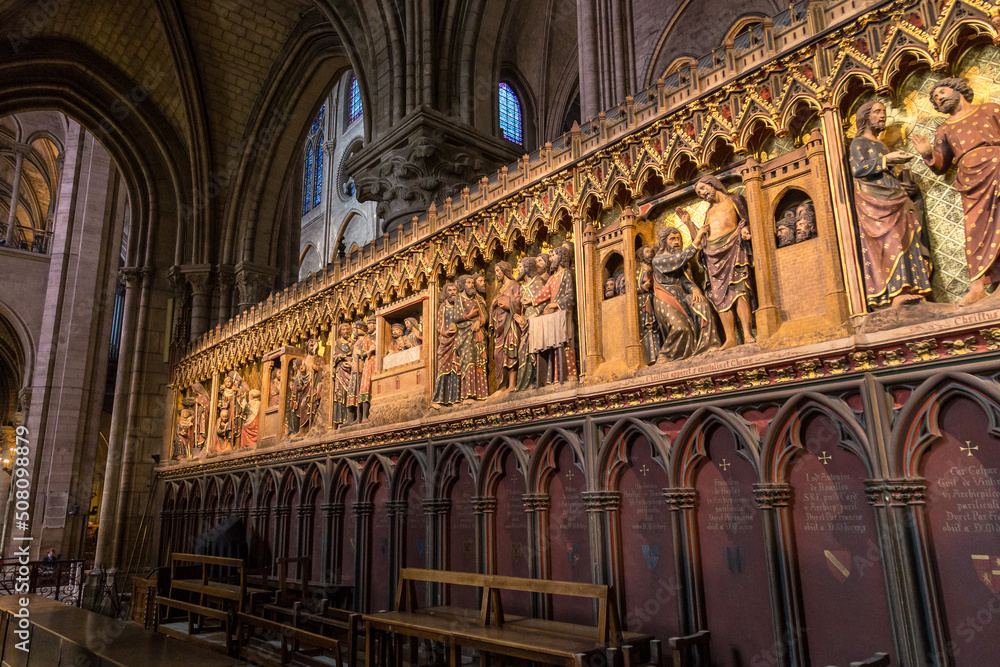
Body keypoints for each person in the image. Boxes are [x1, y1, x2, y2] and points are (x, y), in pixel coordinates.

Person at [911, 77, 1000, 305]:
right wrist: (927, 154)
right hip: (971, 179)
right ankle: (978, 287)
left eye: (941, 92)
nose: (939, 98)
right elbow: (941, 166)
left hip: (998, 165)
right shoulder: (945, 129)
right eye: (935, 99)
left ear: (957, 90)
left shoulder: (990, 109)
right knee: (976, 230)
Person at [850, 100, 932, 308]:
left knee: (906, 239)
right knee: (890, 243)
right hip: (875, 203)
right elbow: (858, 170)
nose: (882, 115)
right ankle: (897, 291)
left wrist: (906, 185)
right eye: (877, 112)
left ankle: (913, 287)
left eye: (883, 112)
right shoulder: (858, 143)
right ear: (865, 117)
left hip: (894, 196)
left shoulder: (881, 145)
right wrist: (887, 160)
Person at [676, 175, 755, 349]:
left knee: (740, 290)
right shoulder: (708, 212)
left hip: (734, 249)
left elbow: (747, 219)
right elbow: (702, 239)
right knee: (720, 298)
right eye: (699, 193)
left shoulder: (734, 200)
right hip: (713, 256)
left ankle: (748, 334)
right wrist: (689, 223)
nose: (702, 194)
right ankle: (730, 338)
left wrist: (746, 228)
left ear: (713, 185)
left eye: (703, 189)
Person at [651, 225, 720, 361]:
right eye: (672, 239)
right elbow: (680, 259)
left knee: (702, 303)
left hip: (682, 297)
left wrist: (694, 289)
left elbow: (686, 281)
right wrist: (698, 237)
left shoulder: (682, 261)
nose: (676, 242)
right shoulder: (658, 260)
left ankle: (708, 345)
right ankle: (665, 354)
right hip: (665, 298)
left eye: (678, 239)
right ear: (664, 242)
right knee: (681, 328)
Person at [531, 245, 577, 385]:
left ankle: (569, 374)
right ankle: (554, 378)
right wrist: (531, 300)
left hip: (563, 314)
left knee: (565, 343)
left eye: (553, 256)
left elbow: (570, 296)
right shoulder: (552, 278)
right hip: (552, 317)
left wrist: (555, 305)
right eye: (550, 257)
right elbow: (545, 293)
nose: (551, 259)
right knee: (551, 345)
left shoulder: (566, 274)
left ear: (561, 257)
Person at [490, 261, 522, 392]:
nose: (497, 274)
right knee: (498, 354)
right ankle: (501, 386)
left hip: (510, 323)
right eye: (495, 271)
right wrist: (493, 305)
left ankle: (511, 384)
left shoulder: (514, 285)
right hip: (500, 325)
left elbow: (519, 302)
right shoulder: (501, 289)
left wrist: (509, 306)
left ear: (505, 270)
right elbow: (495, 307)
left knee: (510, 352)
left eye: (498, 271)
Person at [456, 275, 488, 402]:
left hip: (477, 333)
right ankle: (468, 394)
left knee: (479, 361)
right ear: (463, 285)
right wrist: (469, 316)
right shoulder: (459, 298)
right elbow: (456, 316)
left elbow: (484, 315)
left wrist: (479, 321)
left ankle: (481, 393)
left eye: (472, 283)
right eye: (468, 283)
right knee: (468, 360)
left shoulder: (476, 299)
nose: (471, 285)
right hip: (465, 334)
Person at [431, 283, 463, 406]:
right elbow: (439, 325)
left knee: (456, 367)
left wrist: (458, 329)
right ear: (445, 292)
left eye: (455, 290)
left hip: (458, 340)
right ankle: (438, 400)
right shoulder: (443, 307)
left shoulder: (460, 306)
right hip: (446, 341)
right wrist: (447, 332)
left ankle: (455, 399)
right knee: (443, 369)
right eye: (450, 290)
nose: (453, 292)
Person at [635, 245, 662, 365]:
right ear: (641, 255)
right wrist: (642, 288)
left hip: (655, 300)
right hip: (642, 303)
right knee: (647, 329)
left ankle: (659, 354)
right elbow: (629, 290)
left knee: (657, 327)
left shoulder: (655, 269)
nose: (650, 254)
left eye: (651, 252)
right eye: (646, 252)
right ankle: (650, 357)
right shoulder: (636, 271)